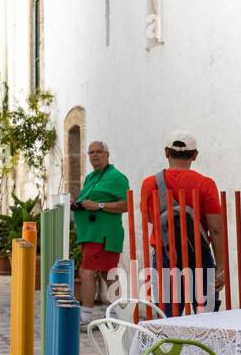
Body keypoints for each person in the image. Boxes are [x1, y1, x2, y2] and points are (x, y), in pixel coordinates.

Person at [139, 131, 227, 313]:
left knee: (168, 317)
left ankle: (172, 342)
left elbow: (150, 219)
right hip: (199, 255)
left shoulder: (150, 183)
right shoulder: (205, 184)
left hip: (165, 256)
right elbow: (216, 229)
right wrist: (221, 267)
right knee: (206, 318)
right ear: (195, 155)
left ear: (166, 152)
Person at [72, 141, 130, 326]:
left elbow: (126, 204)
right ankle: (119, 315)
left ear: (107, 154)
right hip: (90, 234)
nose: (94, 155)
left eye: (98, 152)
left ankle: (86, 316)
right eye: (91, 153)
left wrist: (100, 205)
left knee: (87, 271)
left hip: (103, 235)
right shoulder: (90, 178)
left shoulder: (116, 177)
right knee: (107, 274)